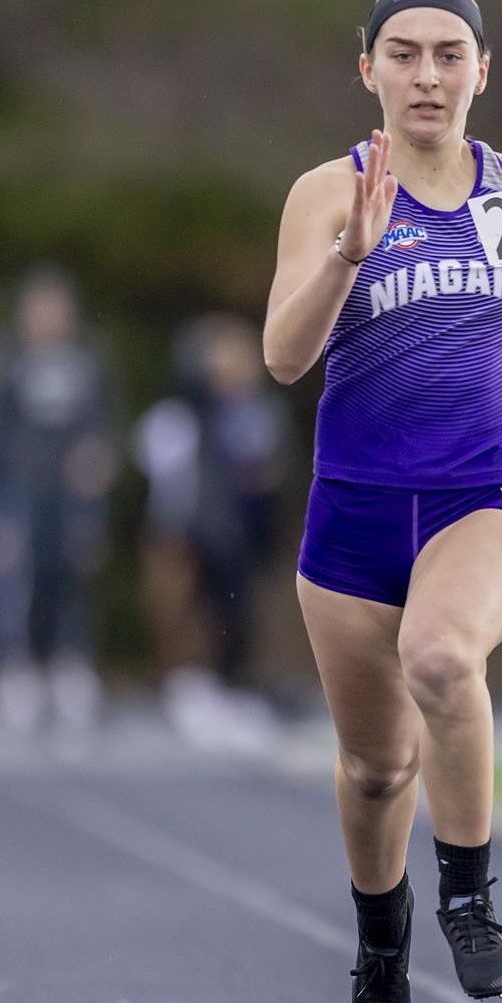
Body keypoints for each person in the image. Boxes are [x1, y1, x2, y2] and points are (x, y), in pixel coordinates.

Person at [261, 0, 502, 1003]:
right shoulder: (326, 196)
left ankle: (468, 899)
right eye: (403, 53)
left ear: (481, 70)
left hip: (489, 495)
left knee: (439, 659)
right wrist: (348, 255)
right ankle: (382, 946)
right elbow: (282, 359)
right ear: (368, 69)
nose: (425, 75)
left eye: (446, 54)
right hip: (355, 517)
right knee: (376, 770)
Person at [135, 314, 290, 750]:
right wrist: (170, 531)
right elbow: (168, 482)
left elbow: (271, 473)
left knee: (238, 615)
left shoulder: (260, 410)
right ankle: (189, 687)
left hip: (245, 533)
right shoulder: (186, 412)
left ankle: (229, 688)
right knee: (189, 612)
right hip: (195, 530)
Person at [0, 265, 116, 732]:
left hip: (72, 497)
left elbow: (101, 429)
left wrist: (97, 467)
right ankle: (19, 672)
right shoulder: (10, 361)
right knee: (21, 586)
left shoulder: (88, 362)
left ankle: (70, 669)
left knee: (72, 581)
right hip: (22, 494)